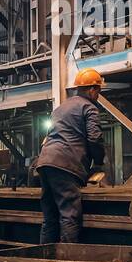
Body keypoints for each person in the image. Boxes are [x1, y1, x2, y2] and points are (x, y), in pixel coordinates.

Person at [33, 68, 105, 243]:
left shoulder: (61, 107)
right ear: (92, 89)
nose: (98, 95)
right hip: (65, 166)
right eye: (98, 91)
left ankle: (44, 260)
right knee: (69, 215)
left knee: (50, 218)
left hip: (44, 162)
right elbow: (95, 138)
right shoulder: (89, 107)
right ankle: (66, 261)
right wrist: (99, 162)